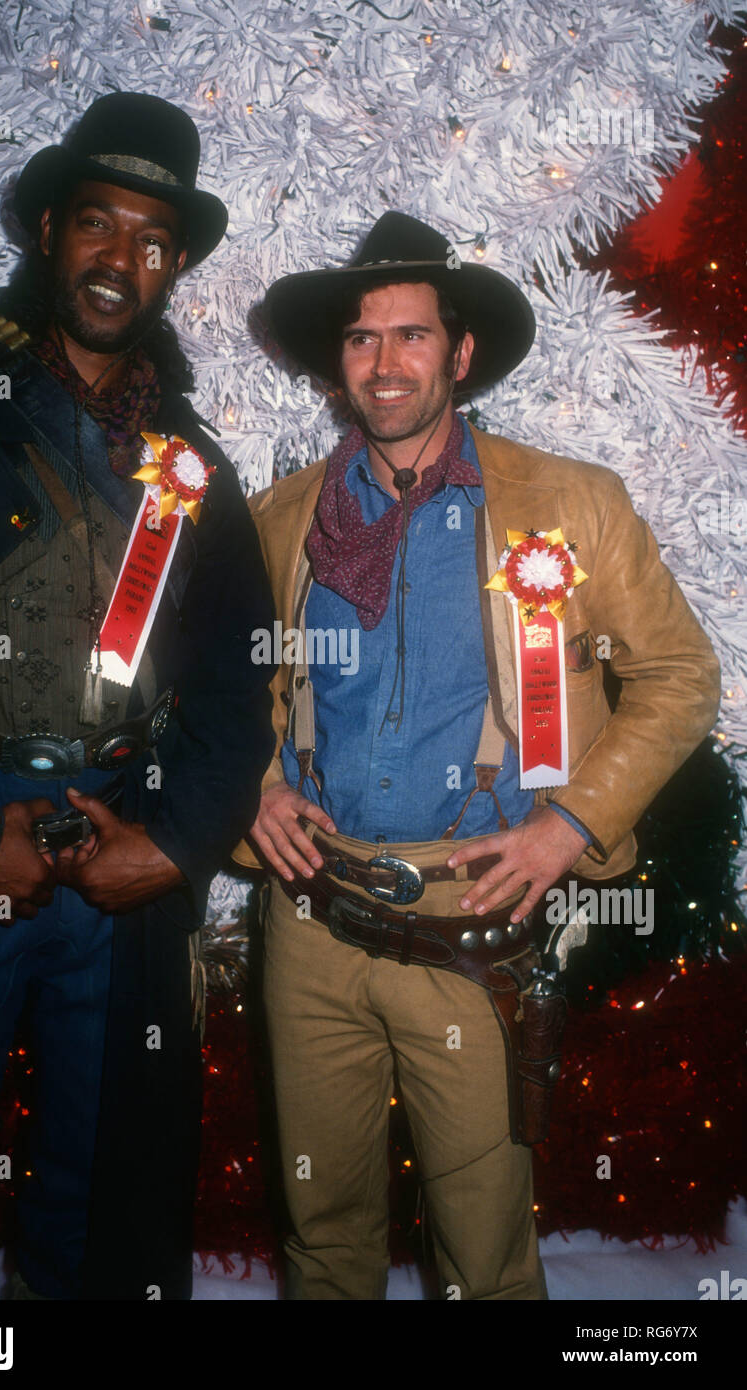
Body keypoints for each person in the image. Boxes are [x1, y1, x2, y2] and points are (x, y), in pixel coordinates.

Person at [234, 211, 720, 1300]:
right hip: (310, 924)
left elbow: (684, 676)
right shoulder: (277, 521)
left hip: (471, 922)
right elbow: (230, 696)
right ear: (338, 361)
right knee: (323, 1235)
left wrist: (570, 821)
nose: (386, 363)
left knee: (485, 1258)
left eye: (412, 337)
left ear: (458, 354)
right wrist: (255, 789)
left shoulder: (570, 505)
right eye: (363, 339)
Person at [0, 92, 275, 1301]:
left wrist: (178, 839)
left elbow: (240, 677)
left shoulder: (195, 467)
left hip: (122, 835)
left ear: (176, 265)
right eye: (98, 223)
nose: (120, 260)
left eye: (152, 241)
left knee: (109, 1167)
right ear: (48, 231)